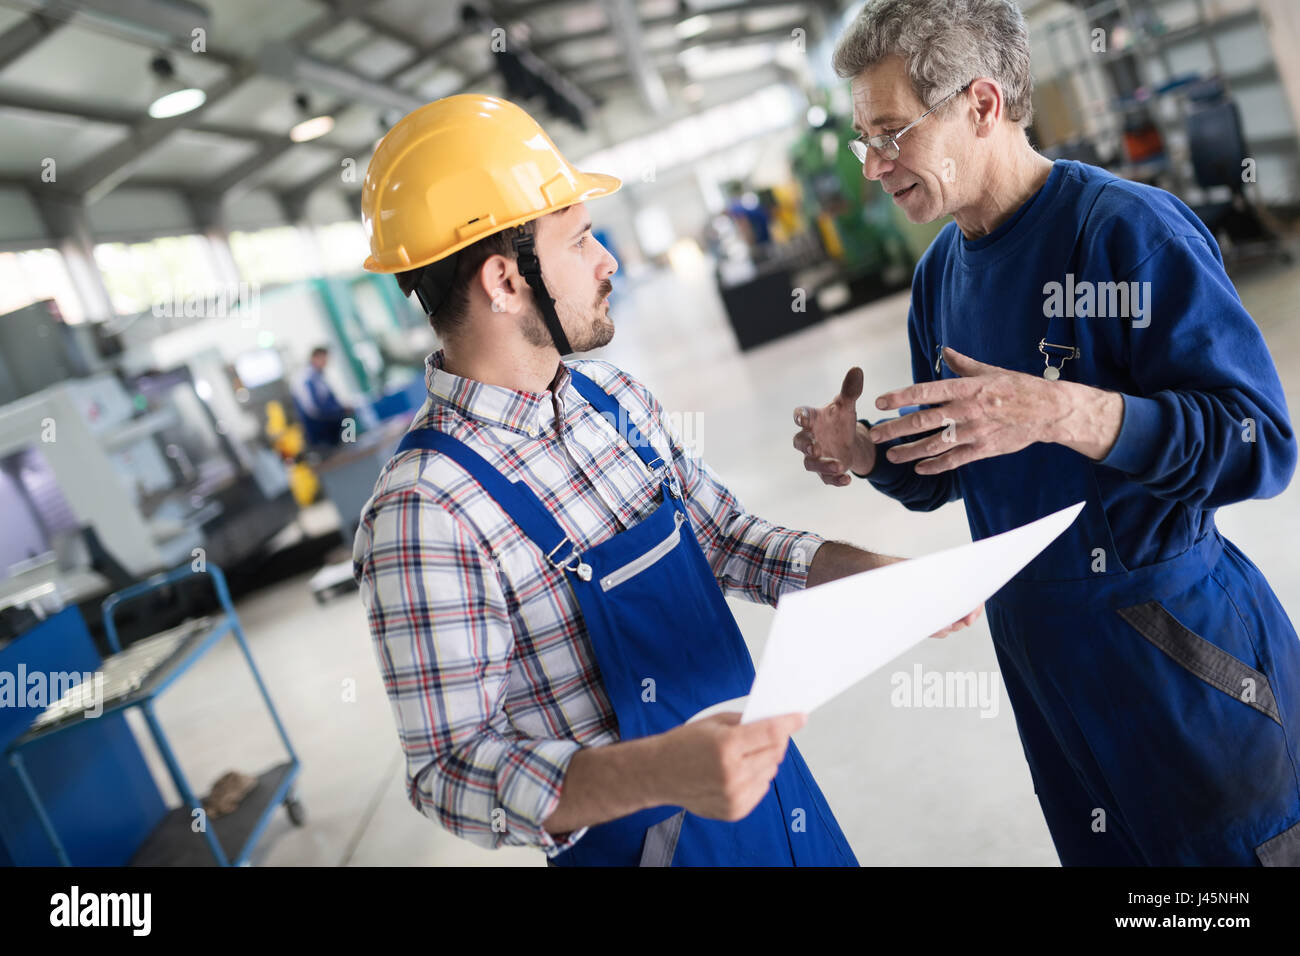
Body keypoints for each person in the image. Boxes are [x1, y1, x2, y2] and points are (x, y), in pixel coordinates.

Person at [351, 94, 978, 866]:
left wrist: (869, 579)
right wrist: (660, 772)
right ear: (505, 282)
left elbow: (725, 540)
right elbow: (449, 770)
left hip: (771, 801)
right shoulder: (424, 512)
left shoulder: (611, 399)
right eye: (580, 241)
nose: (607, 260)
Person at [794, 0, 1300, 866]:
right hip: (1051, 676)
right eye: (861, 140)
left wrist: (1064, 412)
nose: (873, 167)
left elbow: (1260, 445)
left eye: (890, 133)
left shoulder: (1126, 234)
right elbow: (948, 467)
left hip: (1182, 662)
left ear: (981, 106)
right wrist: (870, 453)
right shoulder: (939, 277)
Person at [291, 346, 352, 448]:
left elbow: (329, 399)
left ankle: (349, 445)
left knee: (349, 419)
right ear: (314, 358)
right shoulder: (306, 378)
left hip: (326, 420)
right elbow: (314, 409)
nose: (325, 362)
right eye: (323, 359)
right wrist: (338, 411)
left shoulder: (318, 376)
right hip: (318, 427)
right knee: (348, 422)